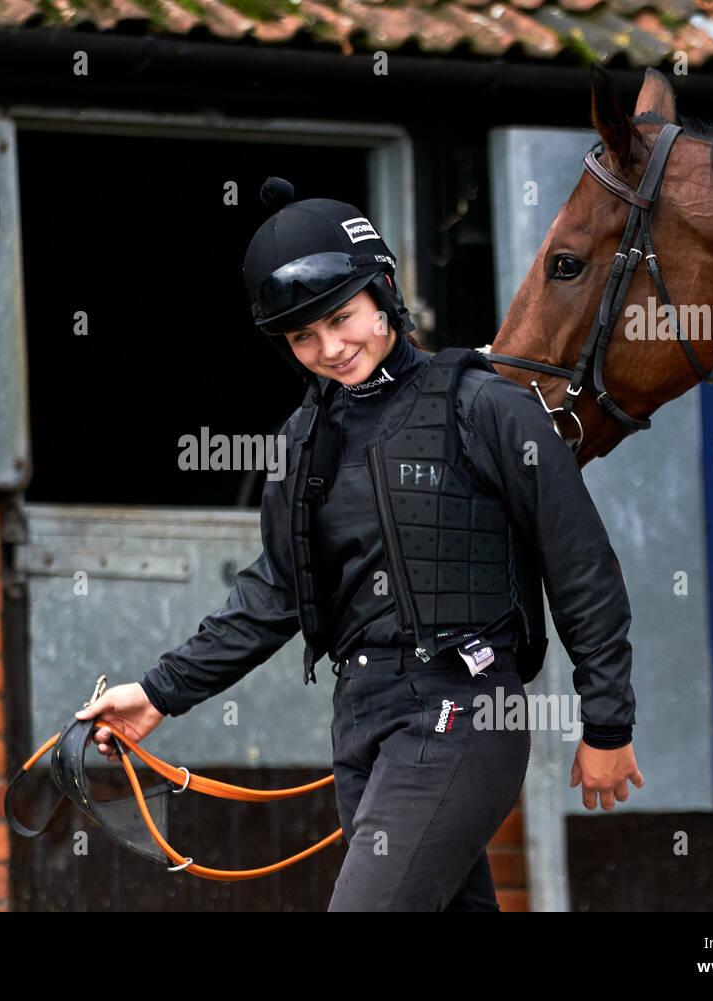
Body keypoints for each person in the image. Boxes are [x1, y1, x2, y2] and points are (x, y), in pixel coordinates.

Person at [76, 177, 643, 911]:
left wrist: (607, 719)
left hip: (462, 711)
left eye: (342, 318)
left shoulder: (486, 405)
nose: (329, 347)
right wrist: (158, 691)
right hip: (362, 722)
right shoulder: (304, 442)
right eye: (302, 337)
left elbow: (581, 565)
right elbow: (273, 593)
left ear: (384, 294)